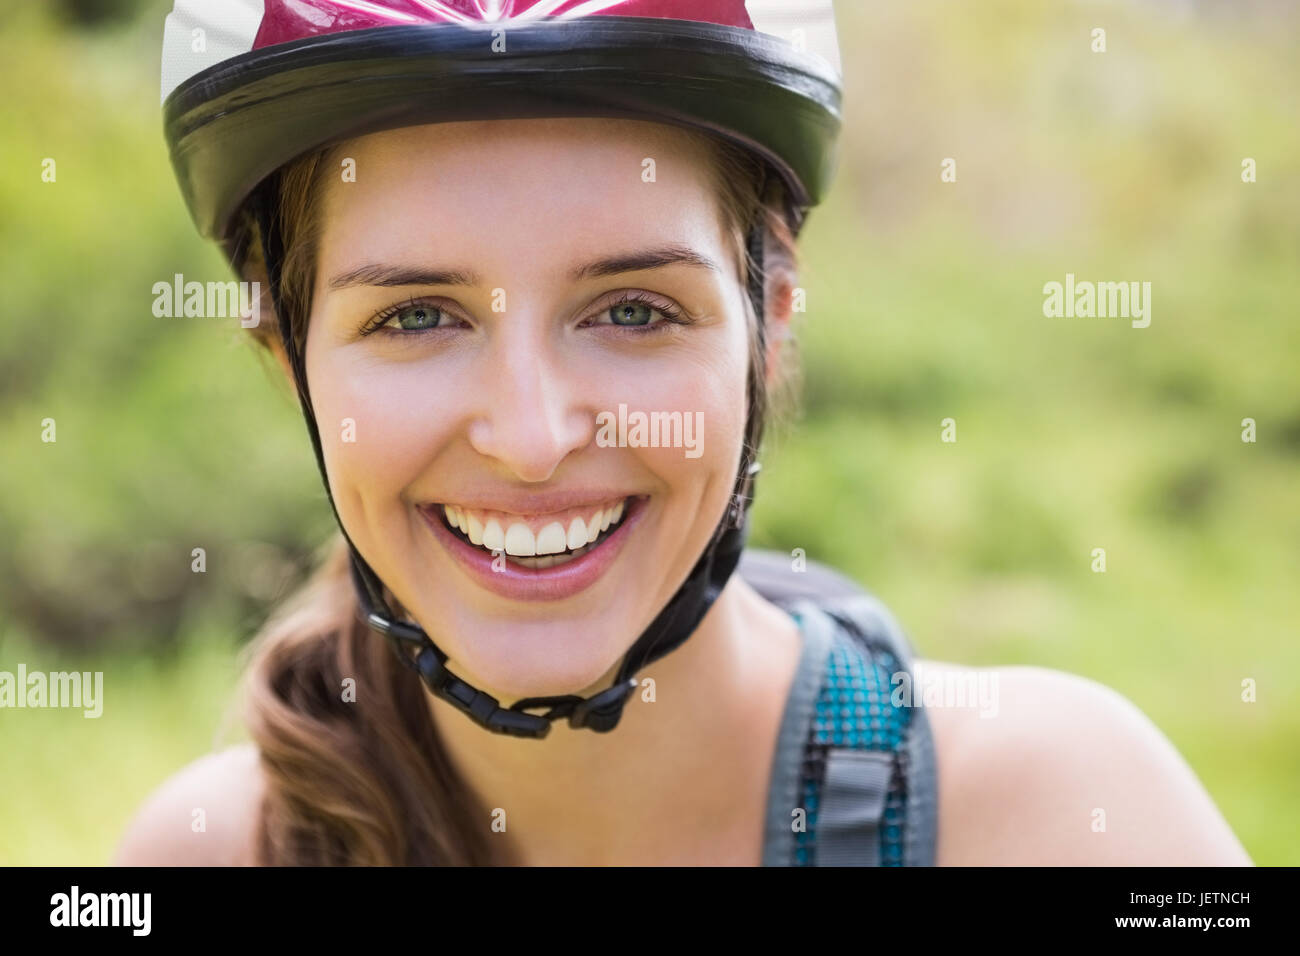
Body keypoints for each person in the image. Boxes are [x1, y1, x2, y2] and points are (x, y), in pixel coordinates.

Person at [115, 0, 1250, 866]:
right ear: (291, 360)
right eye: (416, 316)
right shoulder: (204, 855)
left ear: (771, 321)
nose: (532, 439)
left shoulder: (1067, 818)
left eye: (633, 310)